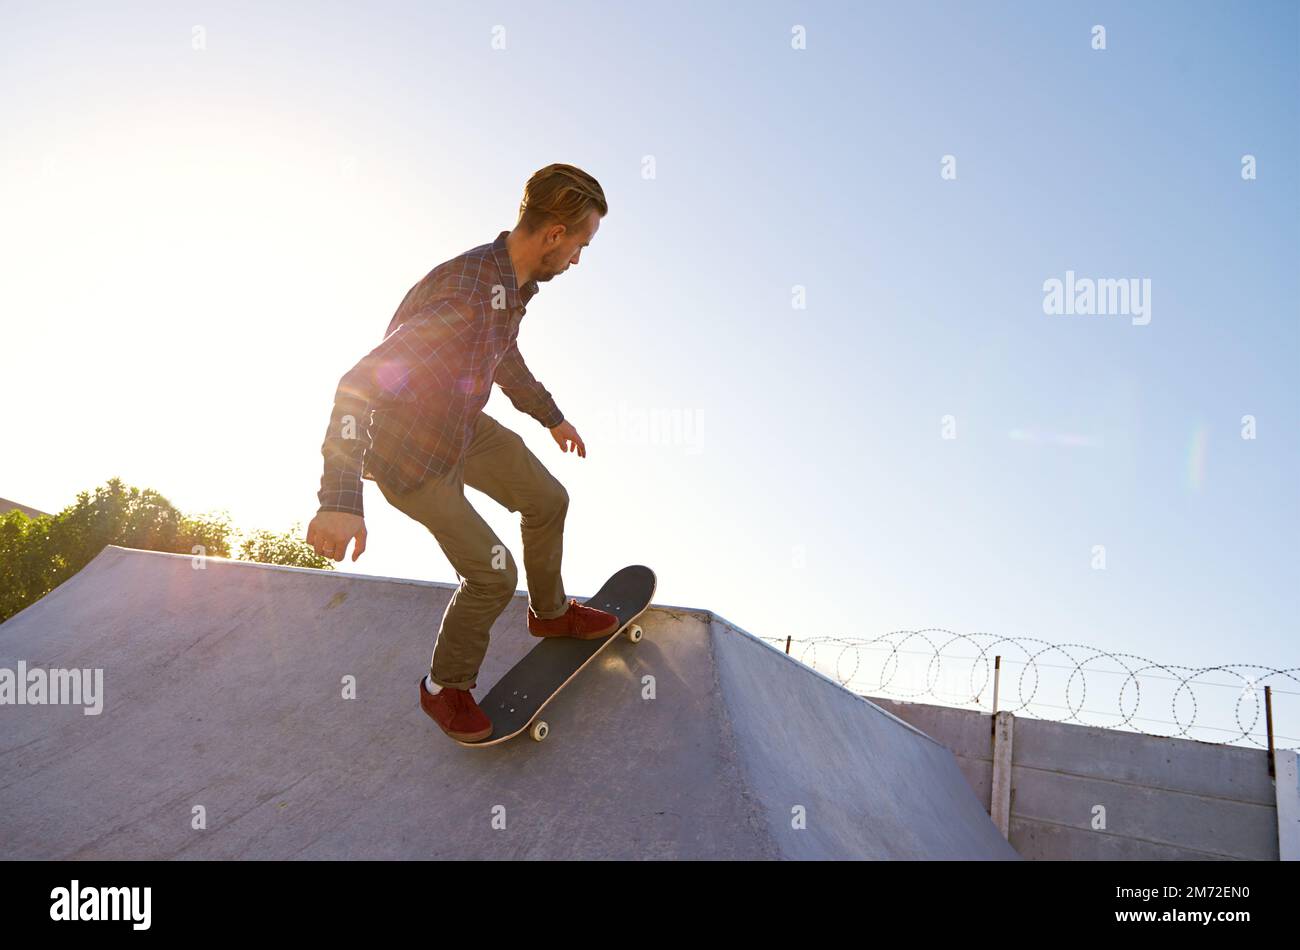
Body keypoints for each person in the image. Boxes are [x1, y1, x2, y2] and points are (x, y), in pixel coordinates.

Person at [305, 163, 618, 742]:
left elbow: (506, 358)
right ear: (554, 234)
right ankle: (443, 687)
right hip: (413, 461)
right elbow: (357, 386)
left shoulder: (511, 284)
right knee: (494, 575)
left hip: (462, 426)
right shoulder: (466, 295)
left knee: (548, 499)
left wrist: (552, 417)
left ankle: (550, 617)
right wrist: (340, 500)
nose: (577, 261)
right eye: (580, 245)